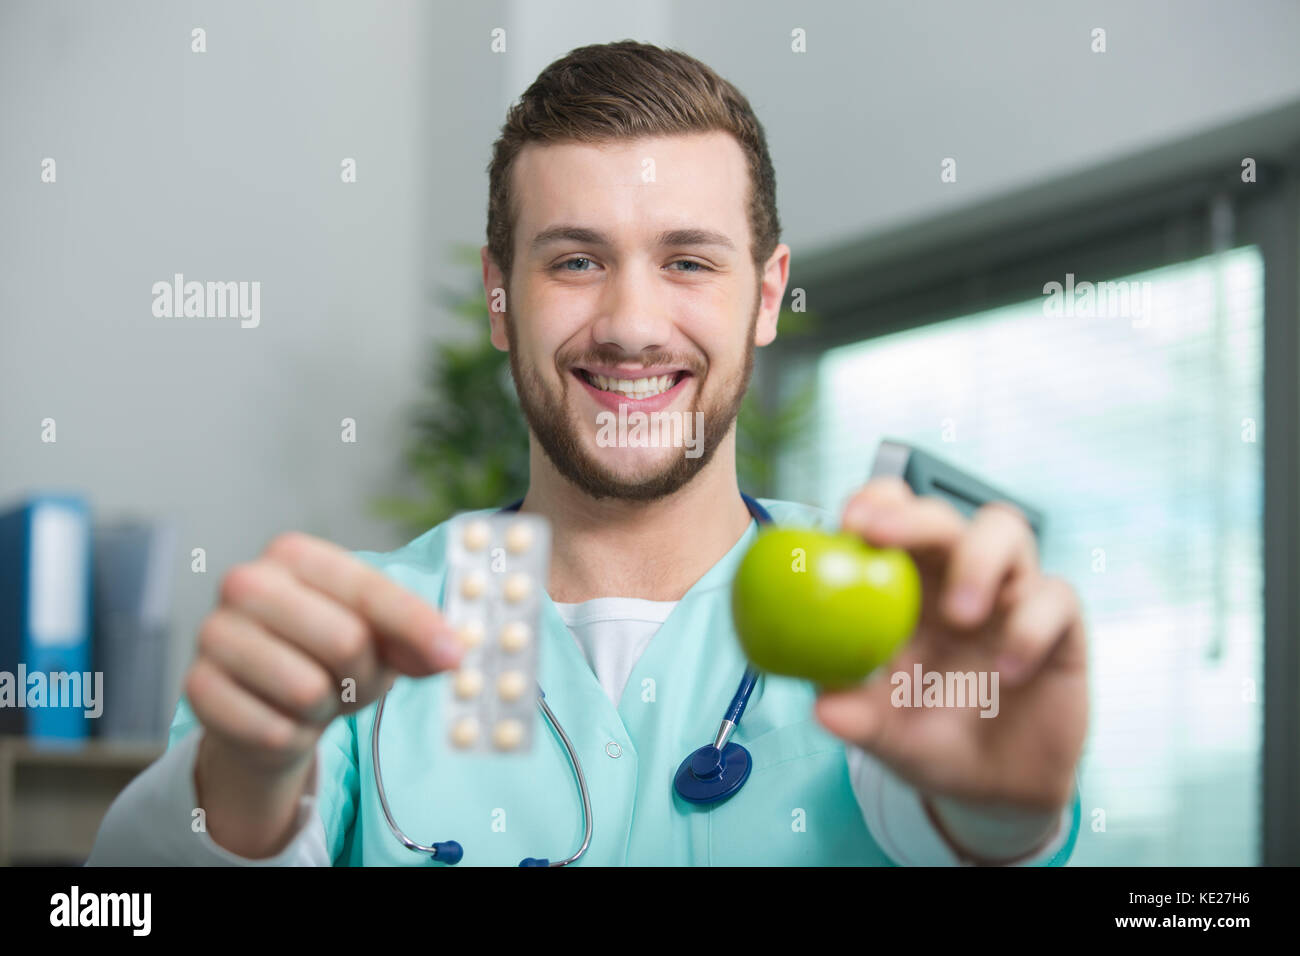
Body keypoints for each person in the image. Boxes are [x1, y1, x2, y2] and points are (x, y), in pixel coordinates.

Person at [88, 40, 1087, 866]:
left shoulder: (895, 624)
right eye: (575, 261)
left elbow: (961, 805)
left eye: (687, 260)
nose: (631, 324)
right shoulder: (346, 635)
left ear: (770, 293)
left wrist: (998, 823)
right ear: (497, 295)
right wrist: (245, 783)